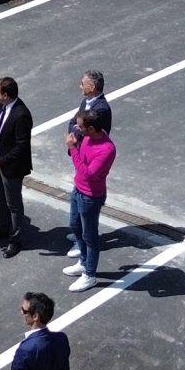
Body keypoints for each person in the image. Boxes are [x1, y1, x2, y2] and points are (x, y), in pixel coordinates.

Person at [0, 76, 34, 259]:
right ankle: (4, 228)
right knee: (1, 197)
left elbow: (22, 146)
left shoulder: (21, 114)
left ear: (5, 94)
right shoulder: (2, 106)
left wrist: (1, 162)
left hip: (10, 166)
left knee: (14, 204)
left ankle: (15, 239)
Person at [65, 107, 116, 291]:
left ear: (92, 129)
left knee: (90, 236)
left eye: (81, 127)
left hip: (91, 197)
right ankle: (83, 261)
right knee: (75, 225)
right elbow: (82, 166)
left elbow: (88, 173)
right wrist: (76, 149)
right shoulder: (87, 137)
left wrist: (72, 148)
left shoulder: (106, 149)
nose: (77, 130)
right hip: (78, 190)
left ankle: (90, 274)